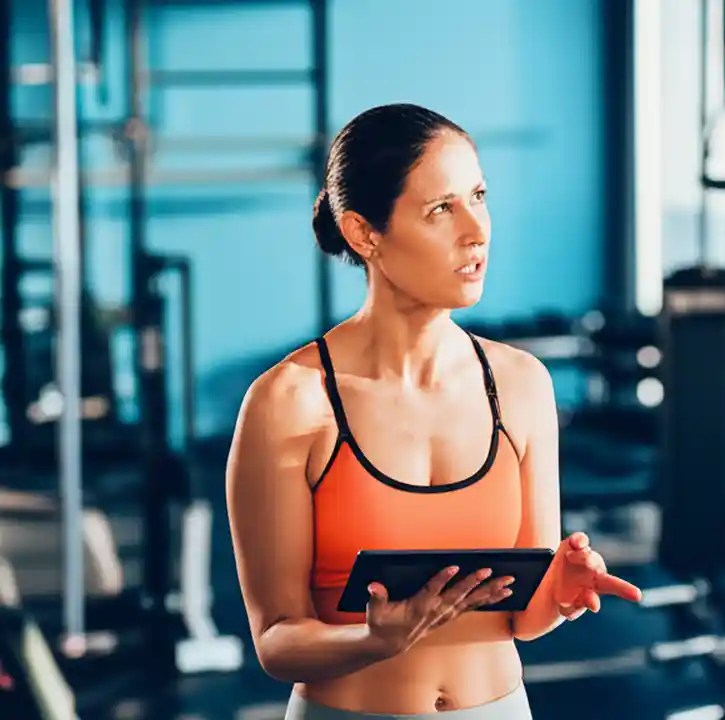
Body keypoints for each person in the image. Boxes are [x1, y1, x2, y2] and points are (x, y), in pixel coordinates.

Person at [225, 103, 644, 720]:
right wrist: (373, 641)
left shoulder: (522, 384)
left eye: (479, 195)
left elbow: (519, 622)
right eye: (441, 209)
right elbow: (277, 641)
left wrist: (557, 595)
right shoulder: (289, 402)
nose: (476, 230)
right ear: (364, 233)